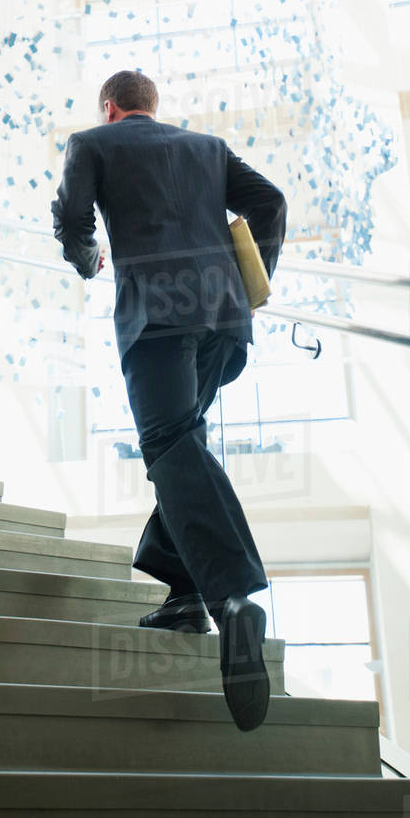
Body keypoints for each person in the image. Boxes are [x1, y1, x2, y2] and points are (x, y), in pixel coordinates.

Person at [51, 69, 287, 732]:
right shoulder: (206, 149)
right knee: (184, 443)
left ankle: (235, 594)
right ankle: (180, 588)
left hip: (157, 316)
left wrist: (85, 255)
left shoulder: (91, 143)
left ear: (110, 106)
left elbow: (73, 218)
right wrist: (250, 279)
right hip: (224, 318)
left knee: (170, 444)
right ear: (153, 107)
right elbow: (269, 203)